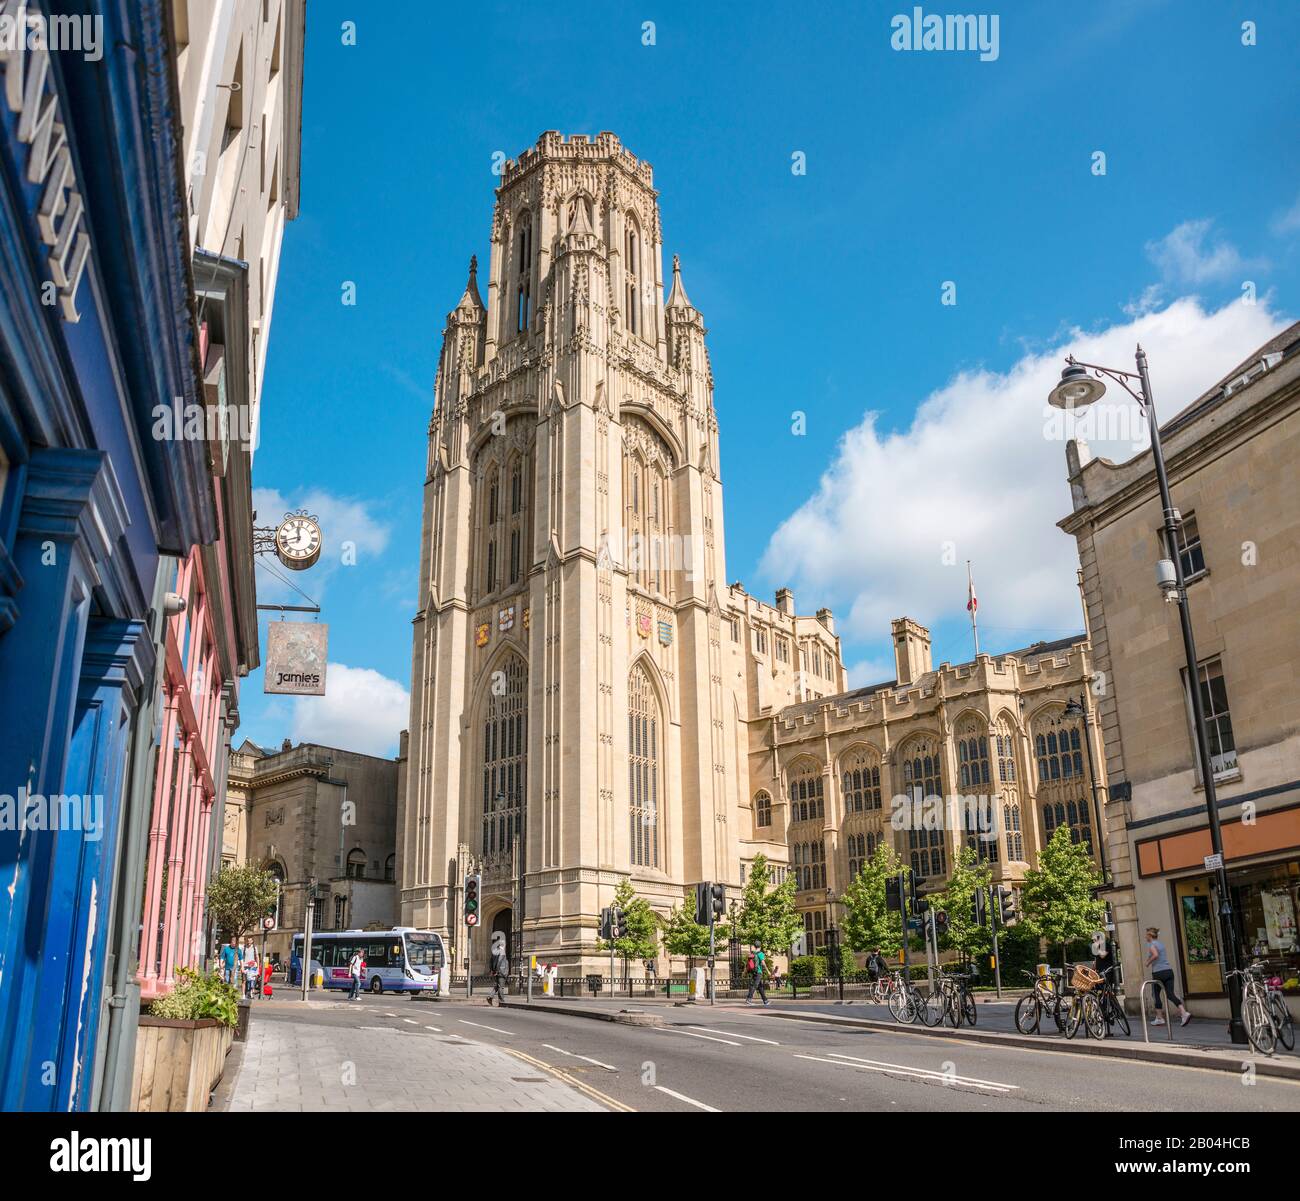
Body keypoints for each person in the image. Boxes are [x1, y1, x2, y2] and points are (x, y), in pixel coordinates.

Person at [1145, 927, 1192, 1027]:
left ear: (1150, 936)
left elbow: (1155, 955)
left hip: (1159, 972)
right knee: (1170, 994)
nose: (1145, 937)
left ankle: (1159, 1018)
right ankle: (1184, 1013)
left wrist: (1148, 962)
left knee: (1155, 994)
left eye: (1146, 935)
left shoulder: (1151, 944)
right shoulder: (1161, 944)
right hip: (1169, 971)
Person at [488, 941, 509, 1006]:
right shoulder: (502, 951)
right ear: (503, 945)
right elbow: (499, 961)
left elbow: (490, 961)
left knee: (497, 985)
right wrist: (497, 971)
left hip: (497, 971)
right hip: (501, 971)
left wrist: (492, 970)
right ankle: (501, 1000)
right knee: (501, 987)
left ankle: (490, 997)